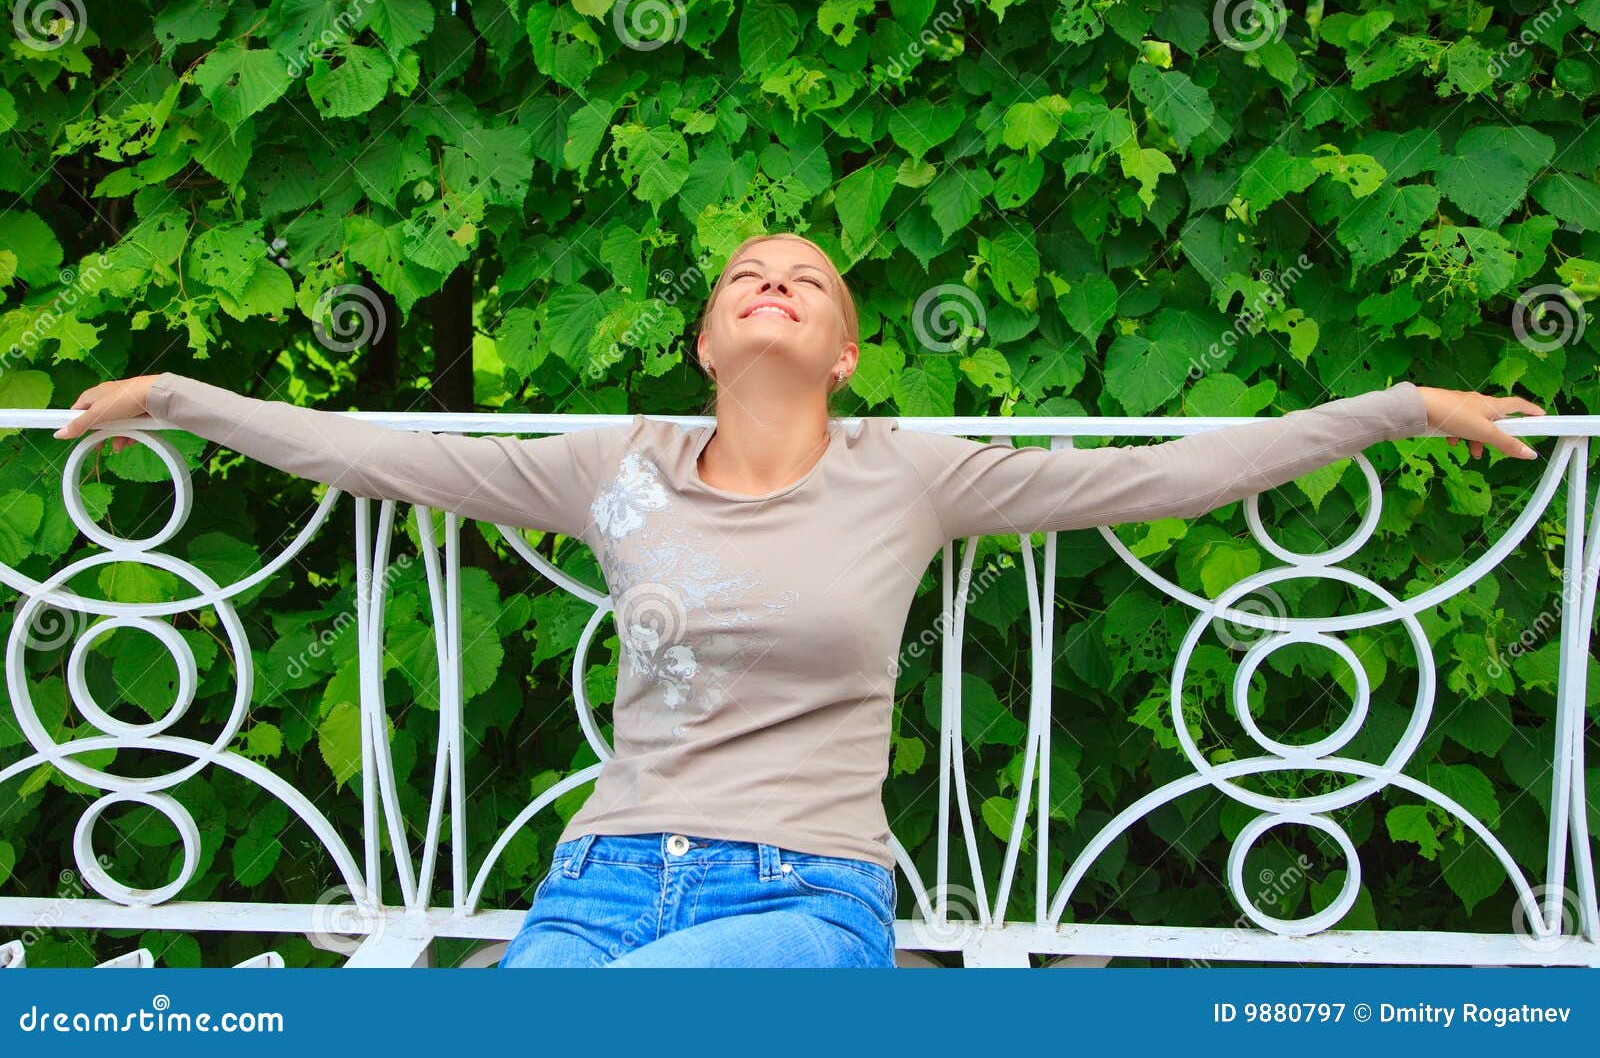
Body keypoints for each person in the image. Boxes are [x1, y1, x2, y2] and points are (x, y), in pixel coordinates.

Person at [55, 232, 1545, 968]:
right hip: (595, 888)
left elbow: (1168, 471)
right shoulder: (611, 468)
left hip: (806, 899)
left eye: (807, 281)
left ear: (842, 350)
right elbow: (380, 450)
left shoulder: (914, 476)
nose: (772, 284)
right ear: (707, 338)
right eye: (744, 277)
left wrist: (1396, 404)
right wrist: (187, 397)